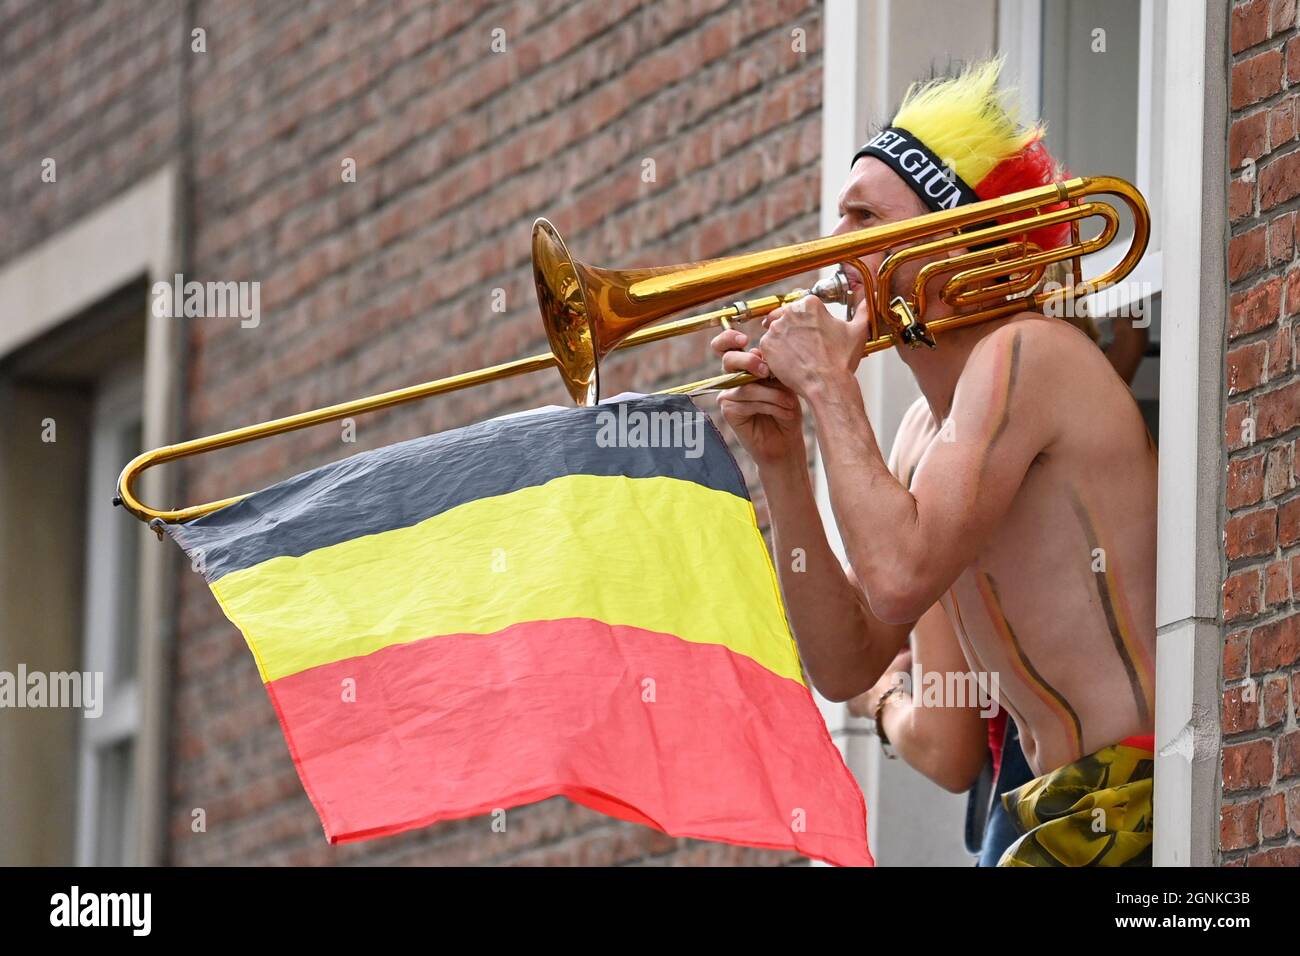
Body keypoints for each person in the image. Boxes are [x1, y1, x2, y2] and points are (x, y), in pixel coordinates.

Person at [710, 59, 1157, 867]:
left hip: (1138, 798)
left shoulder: (1028, 354)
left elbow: (900, 574)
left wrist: (827, 388)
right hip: (1056, 809)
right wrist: (781, 460)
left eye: (863, 219)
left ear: (951, 240)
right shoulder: (924, 428)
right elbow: (845, 659)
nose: (832, 245)